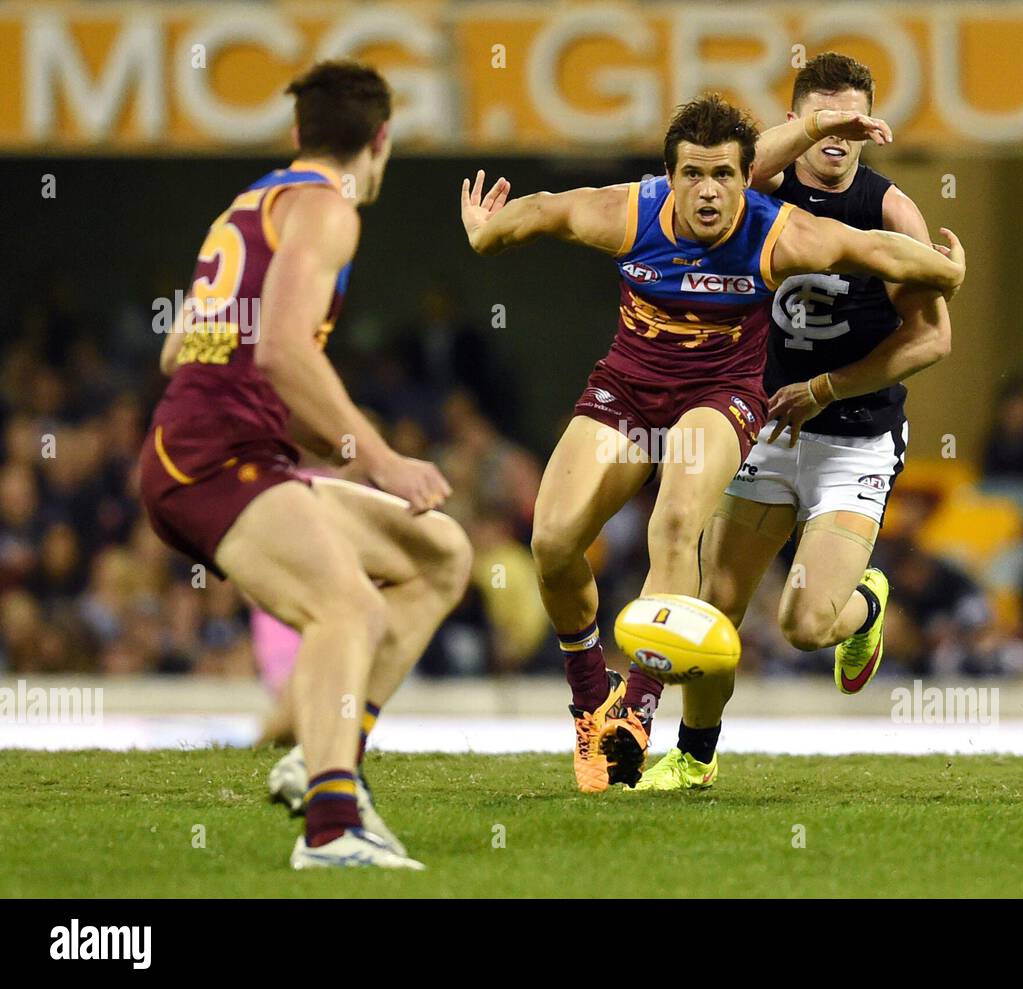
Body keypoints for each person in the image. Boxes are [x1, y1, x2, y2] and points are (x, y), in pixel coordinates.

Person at [460, 91, 964, 792]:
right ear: (670, 177)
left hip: (719, 397)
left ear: (745, 174)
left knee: (676, 524)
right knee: (550, 541)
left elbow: (869, 248)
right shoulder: (629, 213)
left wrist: (945, 270)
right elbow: (545, 209)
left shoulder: (776, 231)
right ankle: (591, 701)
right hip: (626, 391)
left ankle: (634, 717)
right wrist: (490, 231)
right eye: (692, 174)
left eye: (724, 175)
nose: (707, 191)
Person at [138, 60, 472, 868]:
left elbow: (177, 348)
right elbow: (284, 349)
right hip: (215, 458)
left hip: (226, 446)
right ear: (382, 138)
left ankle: (321, 756)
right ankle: (331, 827)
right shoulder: (329, 208)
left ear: (297, 134)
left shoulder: (252, 204)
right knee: (349, 608)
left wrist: (318, 437)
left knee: (441, 555)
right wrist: (379, 456)